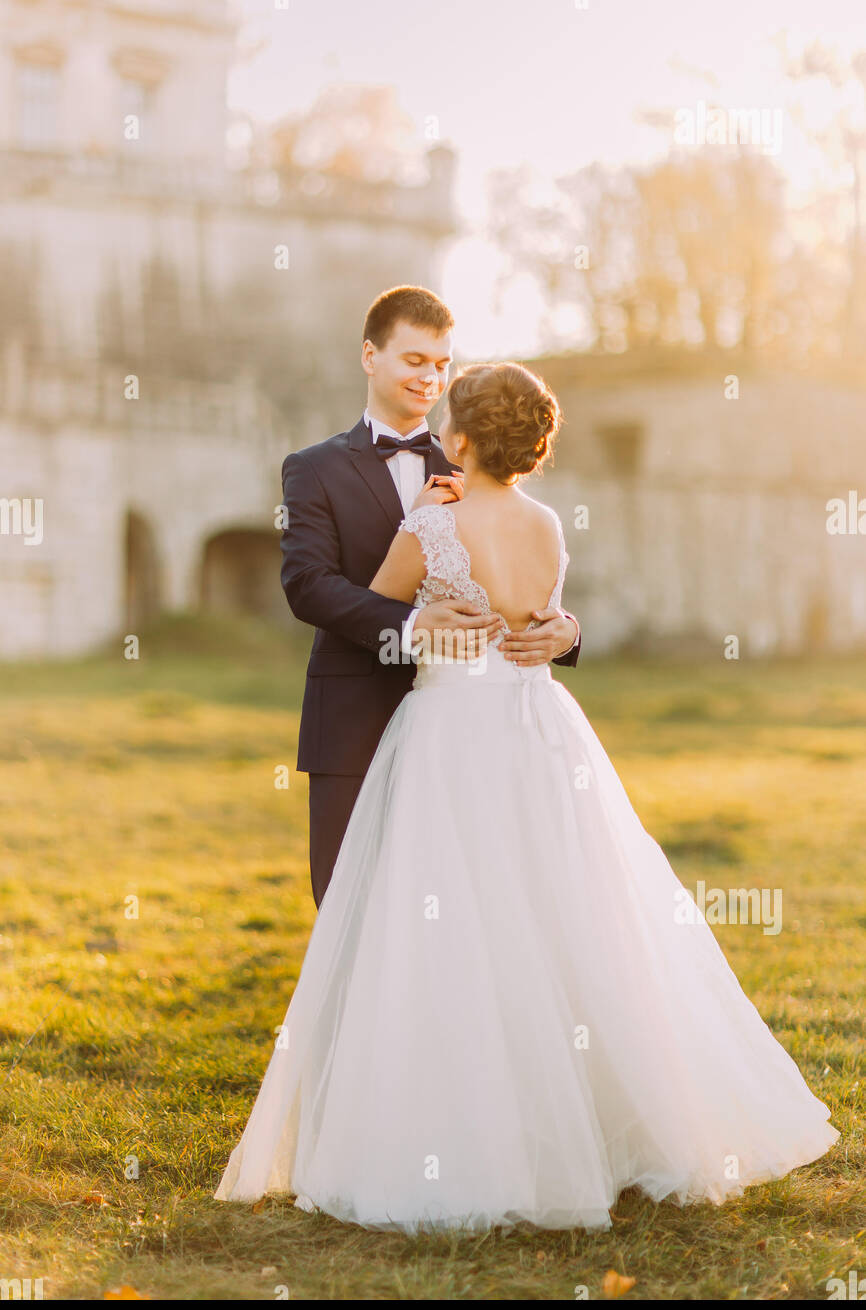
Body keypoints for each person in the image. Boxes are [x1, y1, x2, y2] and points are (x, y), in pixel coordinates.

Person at [215, 361, 838, 1232]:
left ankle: (462, 1132)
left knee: (452, 920)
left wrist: (420, 558)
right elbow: (548, 622)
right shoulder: (546, 524)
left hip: (451, 731)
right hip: (541, 728)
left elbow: (378, 613)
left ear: (463, 440)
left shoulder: (432, 523)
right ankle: (607, 1125)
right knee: (565, 913)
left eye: (449, 423)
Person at [279, 285, 580, 907]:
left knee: (470, 904)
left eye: (443, 364)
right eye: (415, 360)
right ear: (370, 356)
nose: (431, 378)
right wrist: (414, 625)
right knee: (347, 904)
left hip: (472, 729)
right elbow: (307, 585)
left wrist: (569, 631)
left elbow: (519, 575)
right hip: (354, 717)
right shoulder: (312, 468)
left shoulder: (475, 453)